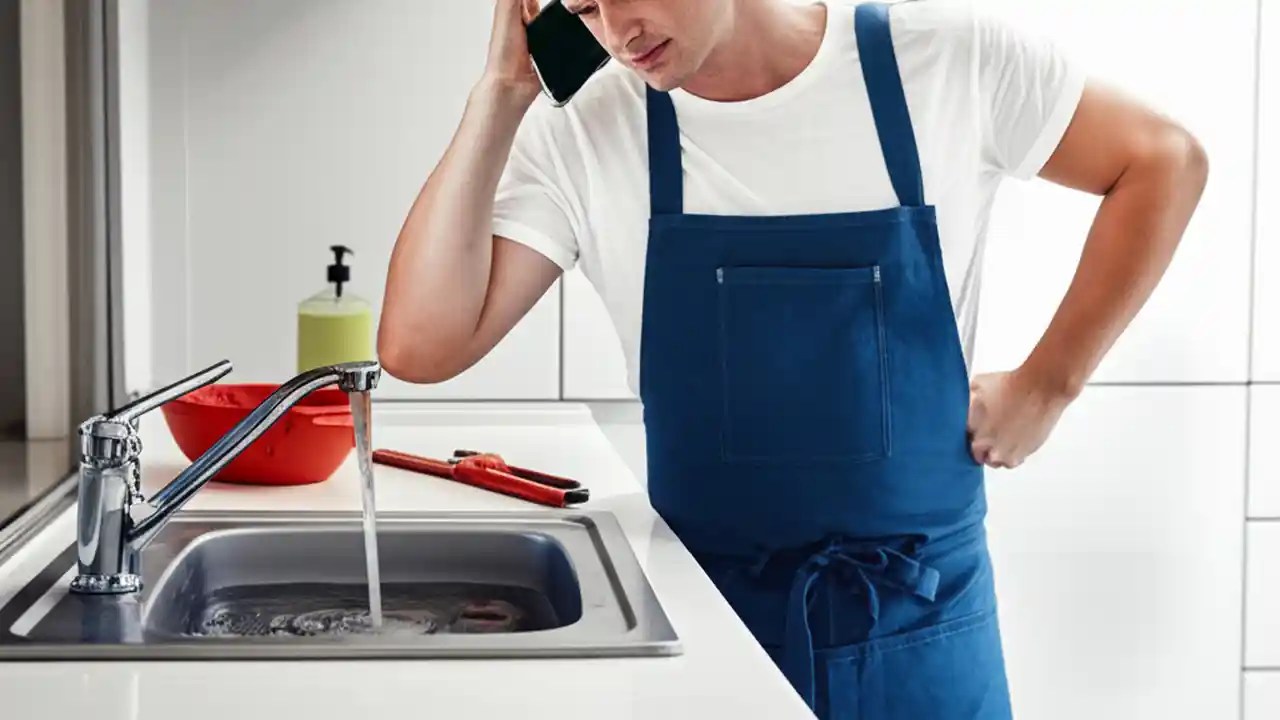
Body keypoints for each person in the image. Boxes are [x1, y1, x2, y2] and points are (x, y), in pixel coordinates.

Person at [379, 0, 1208, 717]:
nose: (618, 30)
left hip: (922, 627)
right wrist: (501, 93)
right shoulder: (589, 131)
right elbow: (421, 345)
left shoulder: (946, 61)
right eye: (584, 7)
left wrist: (1048, 384)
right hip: (705, 626)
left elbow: (1163, 159)